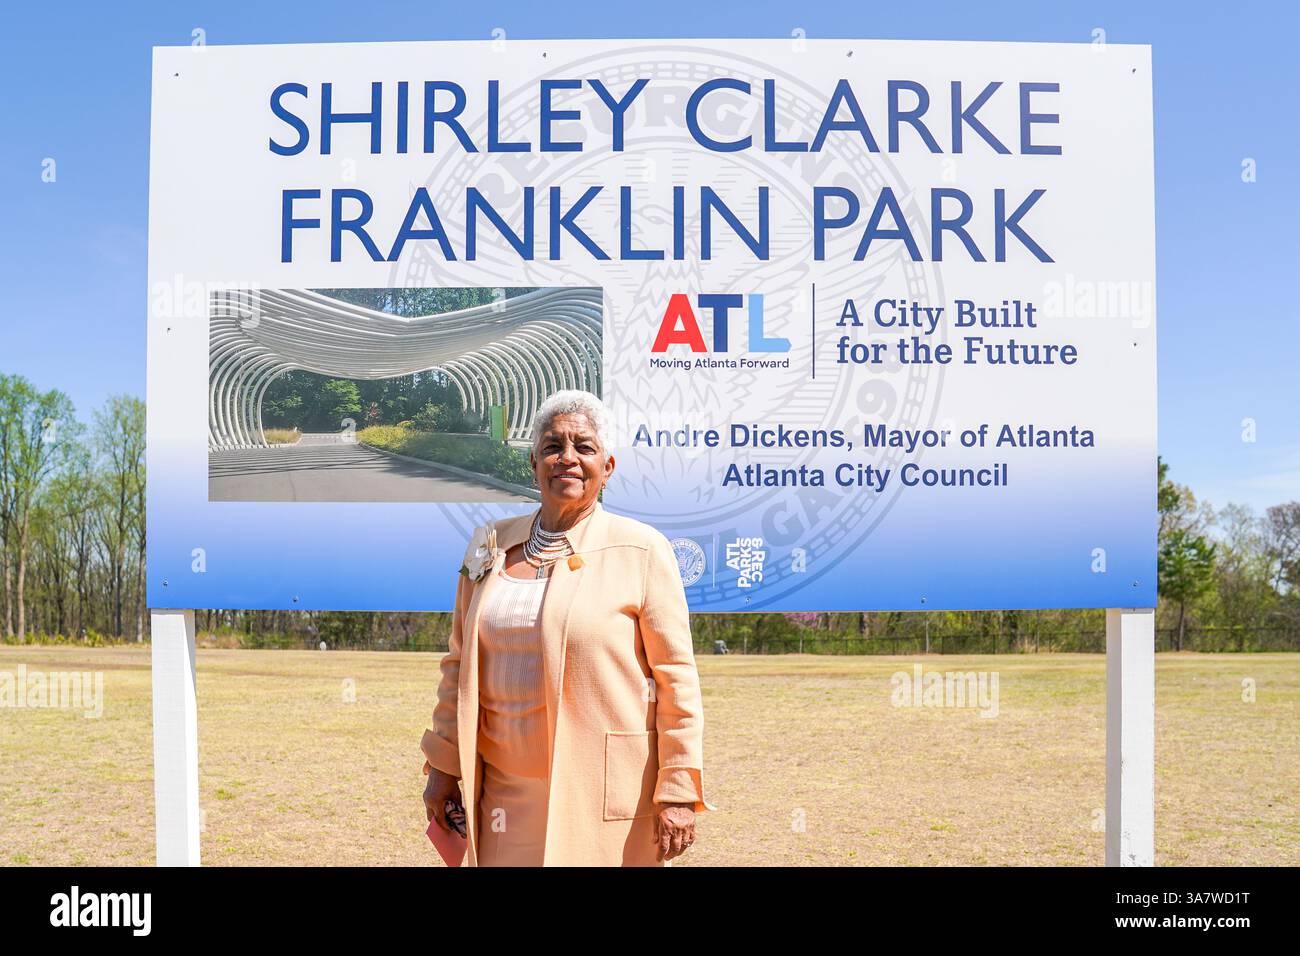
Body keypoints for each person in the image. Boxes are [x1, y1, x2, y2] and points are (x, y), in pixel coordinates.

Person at [420, 389, 717, 866]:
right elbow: (458, 665)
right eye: (554, 445)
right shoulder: (490, 545)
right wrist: (442, 765)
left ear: (609, 466)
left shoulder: (642, 549)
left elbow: (676, 677)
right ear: (534, 461)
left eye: (584, 447)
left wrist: (678, 788)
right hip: (502, 795)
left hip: (602, 788)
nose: (568, 458)